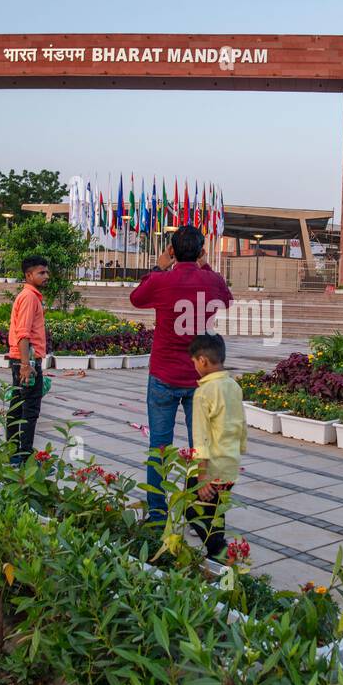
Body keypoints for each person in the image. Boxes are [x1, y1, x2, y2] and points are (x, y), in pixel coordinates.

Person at [130, 225, 234, 523]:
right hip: (200, 379)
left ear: (171, 251)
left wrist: (158, 267)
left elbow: (136, 298)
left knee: (159, 448)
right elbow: (226, 300)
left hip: (163, 374)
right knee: (201, 448)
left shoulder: (162, 280)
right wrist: (207, 267)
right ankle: (198, 510)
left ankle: (158, 514)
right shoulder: (211, 280)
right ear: (201, 251)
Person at [187, 332, 248, 560]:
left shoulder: (203, 393)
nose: (194, 366)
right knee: (216, 513)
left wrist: (202, 474)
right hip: (229, 464)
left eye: (193, 361)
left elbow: (201, 436)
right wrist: (239, 449)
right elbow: (241, 423)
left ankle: (221, 553)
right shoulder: (233, 386)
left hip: (209, 466)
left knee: (191, 508)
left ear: (202, 360)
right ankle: (218, 560)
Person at [5, 255, 49, 465]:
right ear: (28, 275)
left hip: (23, 360)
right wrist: (25, 366)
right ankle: (23, 456)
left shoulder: (30, 296)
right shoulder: (29, 297)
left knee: (17, 406)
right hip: (27, 362)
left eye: (46, 272)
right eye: (41, 273)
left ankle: (14, 452)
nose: (46, 276)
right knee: (29, 410)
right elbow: (23, 334)